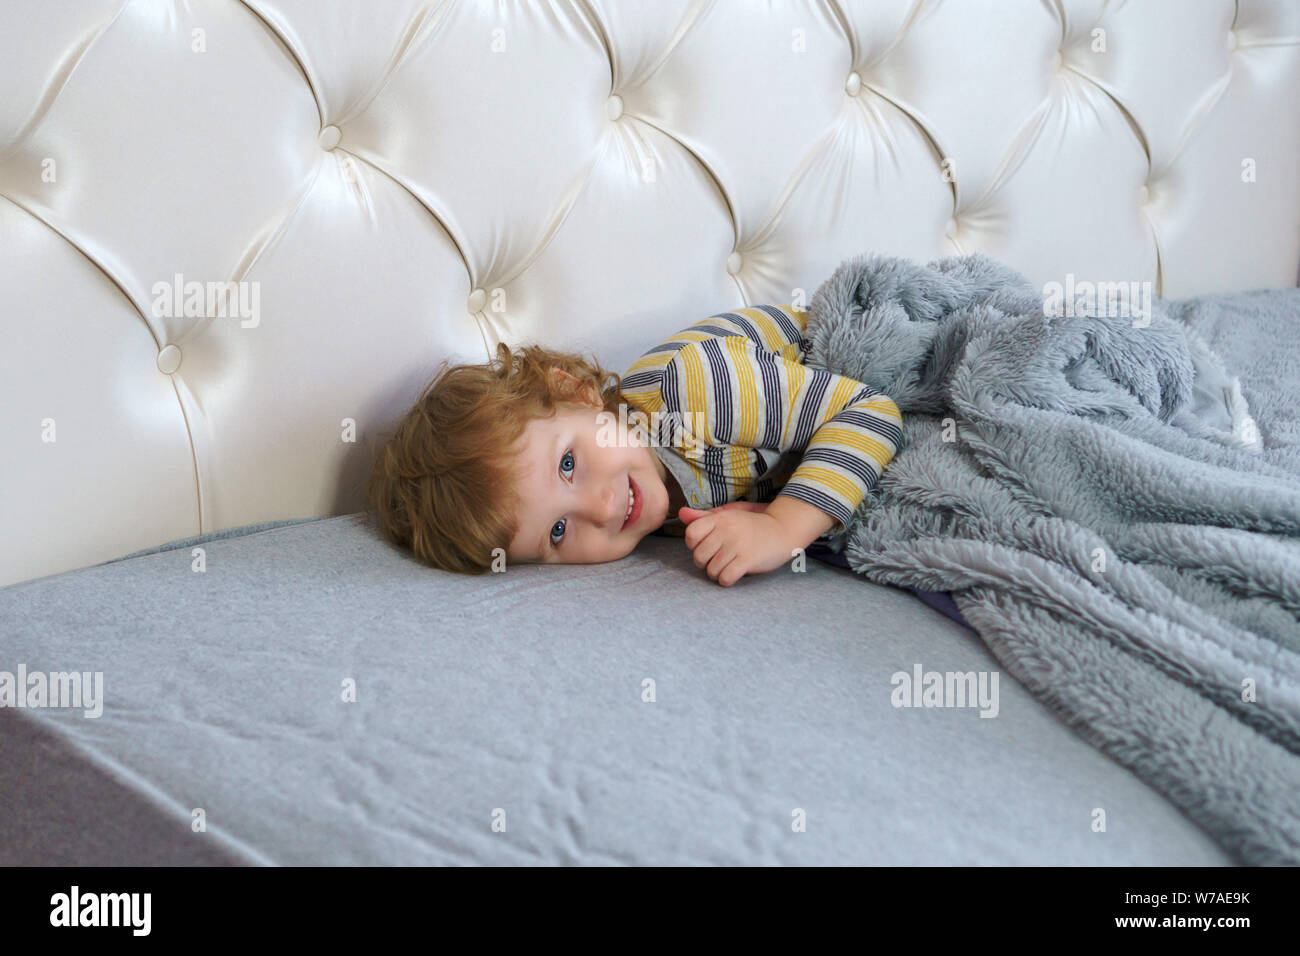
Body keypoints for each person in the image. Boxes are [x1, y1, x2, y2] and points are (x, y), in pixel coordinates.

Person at [366, 304, 902, 588]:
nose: (600, 508)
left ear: (573, 392)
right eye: (558, 532)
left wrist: (783, 527)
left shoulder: (695, 390)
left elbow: (871, 413)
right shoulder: (657, 506)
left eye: (569, 464)